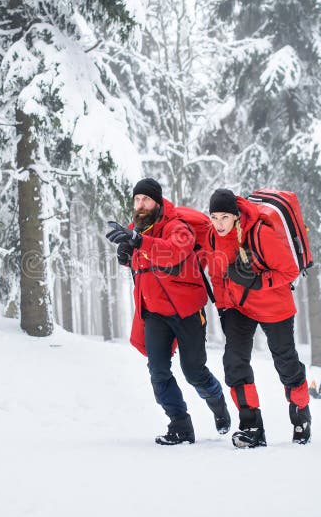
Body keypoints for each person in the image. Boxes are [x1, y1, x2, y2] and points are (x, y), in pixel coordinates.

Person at [105, 178, 230, 445]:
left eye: (146, 200)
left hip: (186, 311)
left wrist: (138, 242)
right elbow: (144, 265)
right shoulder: (135, 230)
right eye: (137, 200)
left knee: (193, 371)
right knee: (158, 371)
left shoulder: (176, 226)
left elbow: (174, 252)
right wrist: (126, 255)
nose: (141, 205)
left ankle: (217, 402)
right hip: (154, 313)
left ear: (158, 203)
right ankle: (180, 425)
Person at [205, 188, 311, 448]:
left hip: (274, 306)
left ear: (236, 216)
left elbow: (289, 270)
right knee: (234, 362)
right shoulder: (213, 236)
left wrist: (257, 281)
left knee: (286, 363)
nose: (219, 224)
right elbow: (218, 276)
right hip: (239, 307)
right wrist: (223, 308)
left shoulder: (260, 233)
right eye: (214, 217)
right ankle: (251, 426)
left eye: (224, 217)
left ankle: (301, 414)